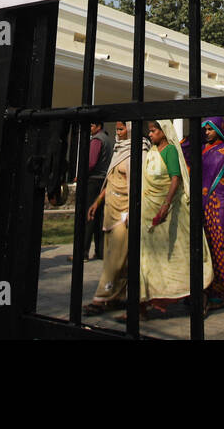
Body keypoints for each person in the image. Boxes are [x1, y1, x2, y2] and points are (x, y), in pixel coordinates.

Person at [139, 119, 209, 317]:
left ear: (164, 131)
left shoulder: (169, 151)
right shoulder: (151, 153)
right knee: (147, 259)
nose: (150, 134)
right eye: (149, 131)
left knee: (176, 258)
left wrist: (165, 205)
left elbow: (175, 179)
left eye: (153, 131)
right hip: (148, 212)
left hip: (167, 213)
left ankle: (195, 294)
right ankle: (142, 303)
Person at [184, 116, 224, 310]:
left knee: (219, 243)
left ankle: (220, 291)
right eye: (204, 129)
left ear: (219, 130)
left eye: (209, 129)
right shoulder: (201, 150)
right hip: (202, 201)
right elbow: (184, 149)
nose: (206, 132)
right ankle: (222, 279)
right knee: (205, 245)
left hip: (221, 200)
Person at [83, 121, 146, 314]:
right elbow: (111, 179)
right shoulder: (120, 149)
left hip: (126, 211)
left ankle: (100, 298)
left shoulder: (140, 151)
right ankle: (118, 296)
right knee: (118, 257)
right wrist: (97, 202)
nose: (118, 133)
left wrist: (134, 210)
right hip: (111, 208)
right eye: (117, 129)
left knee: (114, 258)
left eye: (121, 129)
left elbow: (141, 184)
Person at [82, 122, 114, 261]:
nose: (90, 128)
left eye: (92, 125)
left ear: (99, 126)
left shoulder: (97, 140)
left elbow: (91, 162)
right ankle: (100, 250)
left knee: (89, 214)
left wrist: (82, 173)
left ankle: (83, 251)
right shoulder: (108, 140)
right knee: (100, 215)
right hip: (103, 180)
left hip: (93, 180)